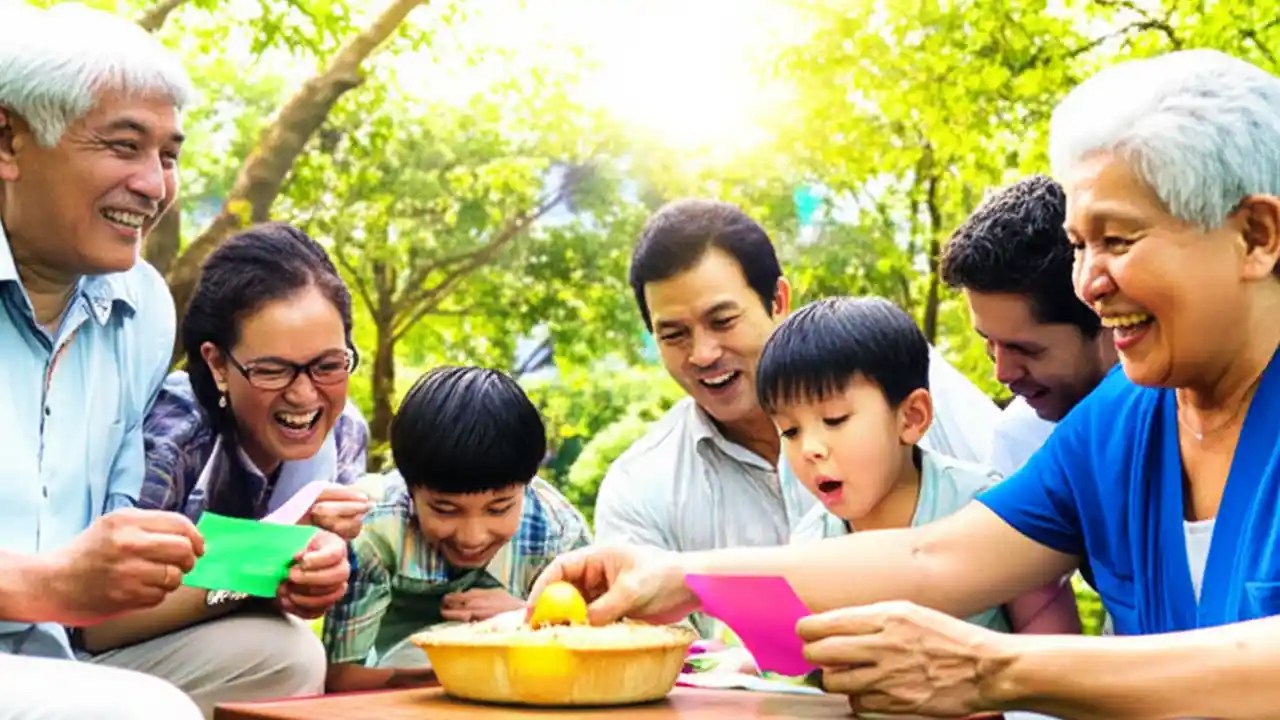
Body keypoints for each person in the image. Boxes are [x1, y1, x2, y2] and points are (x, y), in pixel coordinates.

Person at [530, 48, 1280, 718]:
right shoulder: (1118, 422)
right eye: (1079, 245)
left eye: (1117, 240)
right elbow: (936, 558)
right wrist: (682, 577)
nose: (1089, 281)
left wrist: (992, 671)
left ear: (1256, 237)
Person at [72, 223, 368, 715]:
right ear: (217, 365)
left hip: (207, 644)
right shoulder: (173, 435)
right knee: (286, 656)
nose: (305, 395)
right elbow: (97, 624)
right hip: (89, 658)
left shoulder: (344, 434)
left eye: (328, 365)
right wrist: (268, 555)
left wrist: (314, 579)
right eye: (272, 370)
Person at [595, 199, 1000, 557]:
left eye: (723, 321)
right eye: (674, 335)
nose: (703, 354)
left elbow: (1021, 509)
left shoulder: (894, 372)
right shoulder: (640, 489)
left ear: (778, 301)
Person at [0, 4, 201, 718]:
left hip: (55, 647)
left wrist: (256, 571)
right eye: (124, 146)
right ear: (8, 141)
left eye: (168, 156)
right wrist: (39, 583)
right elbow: (63, 581)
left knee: (275, 654)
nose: (154, 185)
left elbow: (106, 564)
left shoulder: (143, 307)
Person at [767, 297, 1079, 636]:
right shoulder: (810, 545)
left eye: (835, 419)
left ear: (912, 417)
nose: (810, 449)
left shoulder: (986, 507)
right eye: (791, 431)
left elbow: (1052, 637)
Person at [323, 366, 592, 693]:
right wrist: (457, 673)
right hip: (403, 684)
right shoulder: (374, 528)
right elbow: (341, 678)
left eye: (499, 508)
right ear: (410, 490)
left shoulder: (557, 532)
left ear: (527, 485)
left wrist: (526, 617)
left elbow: (595, 646)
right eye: (445, 510)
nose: (472, 537)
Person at [941, 175, 1117, 477]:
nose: (1003, 373)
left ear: (1102, 316)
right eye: (990, 344)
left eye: (1024, 349)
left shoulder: (1181, 415)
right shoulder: (1019, 442)